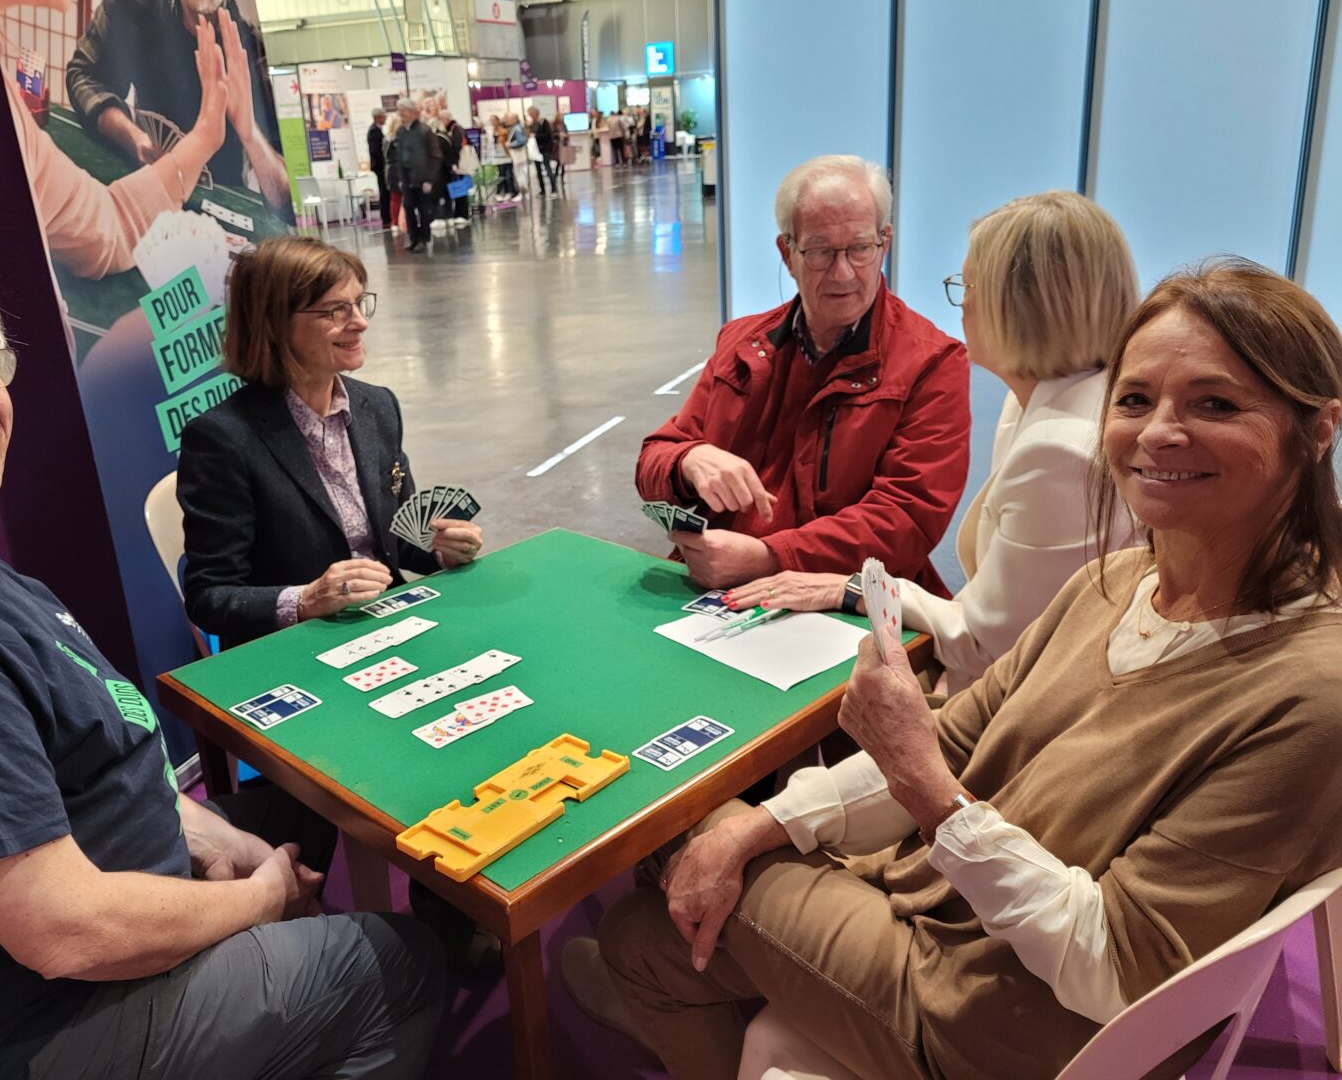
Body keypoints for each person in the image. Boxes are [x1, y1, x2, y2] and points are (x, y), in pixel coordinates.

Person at [567, 257, 1342, 1080]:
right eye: (1136, 399)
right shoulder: (1114, 585)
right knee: (684, 889)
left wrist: (916, 786)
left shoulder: (1309, 691)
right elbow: (958, 738)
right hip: (963, 915)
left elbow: (1113, 967)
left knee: (658, 889)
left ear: (1318, 427)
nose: (1156, 434)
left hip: (1004, 1017)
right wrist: (768, 823)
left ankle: (666, 993)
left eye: (1215, 404)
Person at [0, 246, 446, 1079]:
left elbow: (88, 767)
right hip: (28, 1024)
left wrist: (216, 839)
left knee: (284, 835)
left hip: (82, 905)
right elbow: (66, 932)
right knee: (399, 956)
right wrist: (251, 899)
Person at [727, 192, 1140, 693]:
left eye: (967, 286)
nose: (961, 303)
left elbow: (988, 645)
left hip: (1013, 710)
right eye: (820, 251)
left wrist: (848, 587)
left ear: (1018, 307)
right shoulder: (1037, 403)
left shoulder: (1061, 453)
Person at [636, 154, 970, 592]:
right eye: (821, 252)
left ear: (884, 243)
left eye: (859, 249)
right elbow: (655, 458)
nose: (843, 272)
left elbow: (906, 518)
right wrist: (689, 461)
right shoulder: (741, 343)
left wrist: (769, 559)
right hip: (719, 591)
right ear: (787, 252)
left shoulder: (932, 363)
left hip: (844, 600)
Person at [178, 236, 484, 651]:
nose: (360, 322)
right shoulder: (223, 439)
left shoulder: (377, 406)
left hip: (388, 624)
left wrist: (440, 549)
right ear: (275, 322)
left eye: (359, 303)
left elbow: (396, 539)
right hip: (298, 649)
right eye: (335, 311)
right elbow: (209, 596)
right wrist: (305, 600)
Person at [0, 0, 226, 282]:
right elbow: (84, 74)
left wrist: (206, 138)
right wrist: (132, 135)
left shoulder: (0, 101)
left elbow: (108, 226)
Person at [65, 0, 291, 210]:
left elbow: (289, 198)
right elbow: (84, 75)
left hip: (220, 212)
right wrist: (133, 138)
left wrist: (249, 132)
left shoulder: (255, 51)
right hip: (149, 190)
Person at [394, 97, 444, 252]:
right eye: (399, 111)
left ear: (411, 112)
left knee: (424, 210)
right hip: (408, 176)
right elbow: (400, 157)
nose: (400, 114)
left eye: (403, 111)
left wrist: (430, 179)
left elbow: (435, 156)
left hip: (423, 177)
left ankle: (424, 238)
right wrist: (401, 178)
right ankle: (414, 238)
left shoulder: (424, 131)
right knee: (408, 207)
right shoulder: (400, 132)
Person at [440, 108, 472, 226]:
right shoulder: (454, 128)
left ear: (446, 119)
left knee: (460, 188)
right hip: (459, 164)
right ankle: (460, 213)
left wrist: (456, 163)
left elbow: (458, 146)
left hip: (460, 164)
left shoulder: (455, 129)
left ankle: (462, 214)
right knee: (459, 188)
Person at [368, 106, 392, 229]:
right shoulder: (374, 132)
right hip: (380, 167)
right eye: (384, 116)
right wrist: (384, 164)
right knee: (384, 193)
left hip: (381, 166)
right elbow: (376, 151)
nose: (386, 118)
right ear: (378, 117)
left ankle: (388, 218)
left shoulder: (377, 130)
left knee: (386, 192)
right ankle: (386, 219)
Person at [528, 105, 558, 196]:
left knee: (548, 169)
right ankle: (542, 190)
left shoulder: (543, 122)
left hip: (545, 149)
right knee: (538, 171)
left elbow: (548, 134)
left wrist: (536, 136)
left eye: (531, 114)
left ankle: (554, 189)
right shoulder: (532, 124)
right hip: (536, 151)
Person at [384, 112, 405, 234]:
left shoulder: (386, 138)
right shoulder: (398, 139)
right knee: (399, 197)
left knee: (394, 198)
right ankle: (399, 222)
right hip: (398, 171)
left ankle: (395, 222)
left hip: (390, 171)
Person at [505, 112, 530, 196]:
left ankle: (524, 190)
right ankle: (523, 191)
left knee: (520, 172)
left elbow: (522, 140)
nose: (507, 120)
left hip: (518, 153)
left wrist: (510, 144)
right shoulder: (515, 127)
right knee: (520, 172)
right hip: (517, 153)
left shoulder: (517, 128)